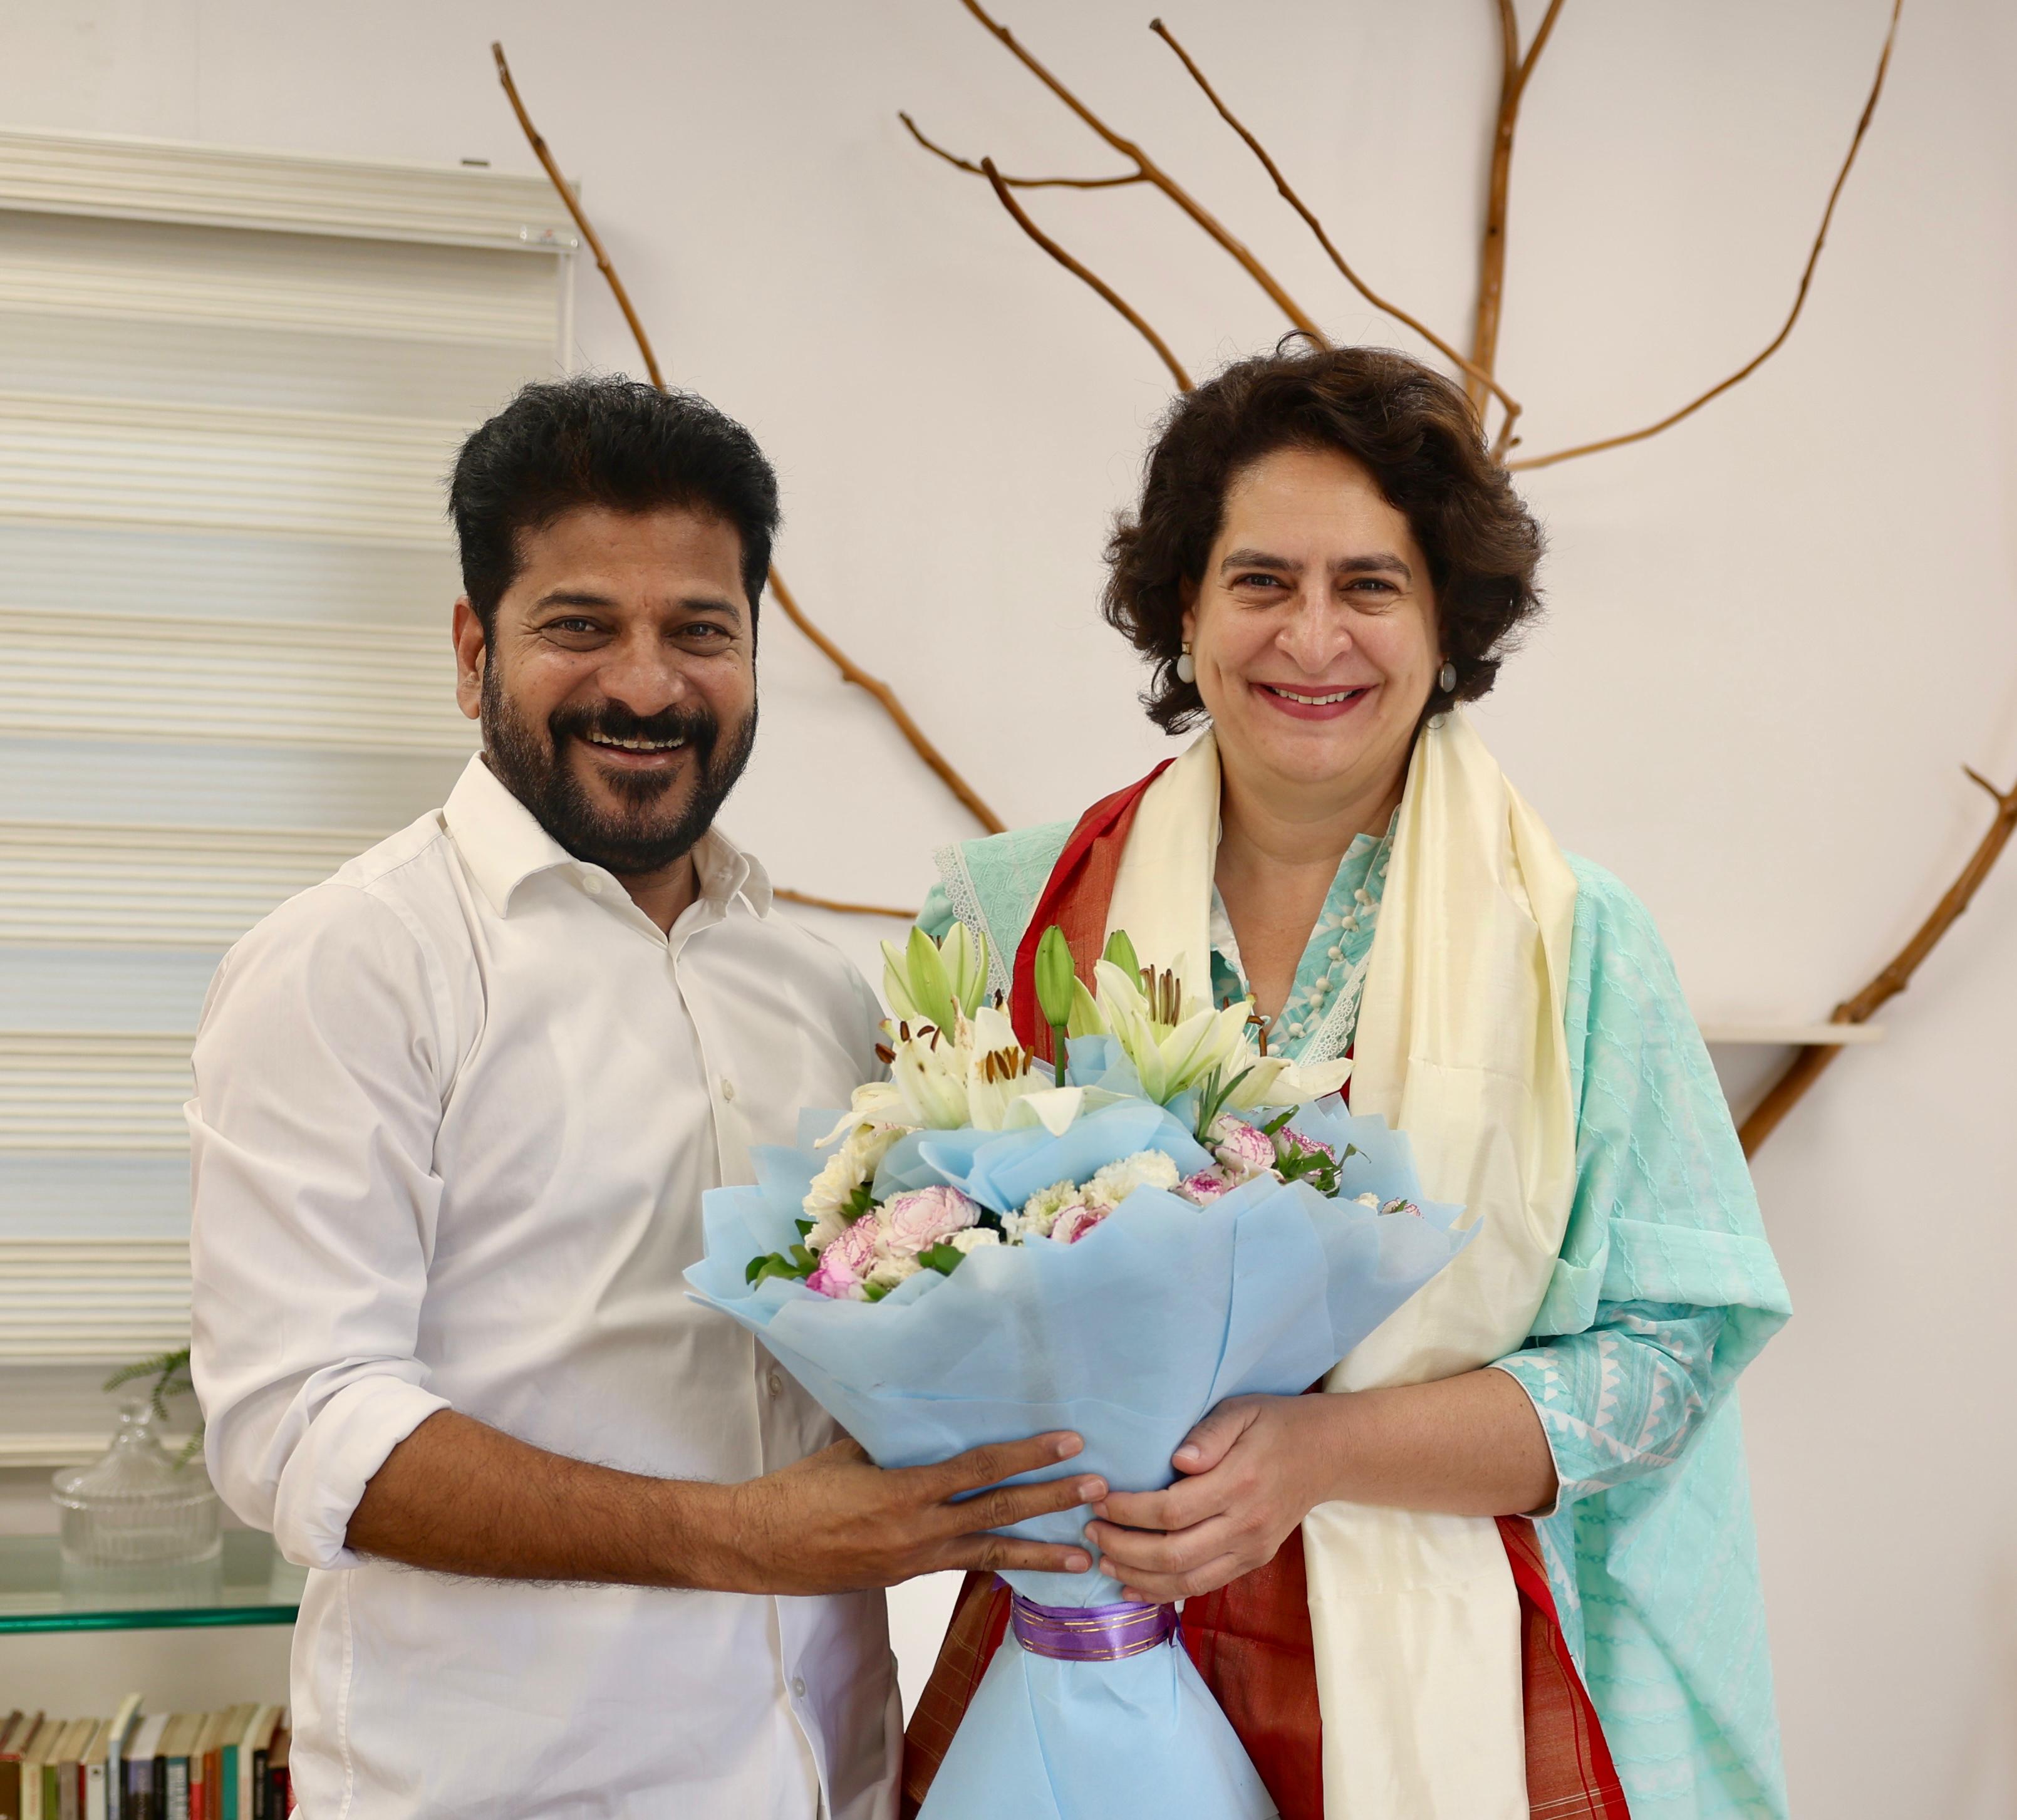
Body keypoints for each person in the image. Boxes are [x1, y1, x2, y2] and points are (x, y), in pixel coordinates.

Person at [187, 377, 1103, 1820]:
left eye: (699, 630)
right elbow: (299, 1429)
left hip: (832, 1783)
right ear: (471, 646)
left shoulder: (818, 989)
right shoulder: (352, 961)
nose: (646, 682)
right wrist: (749, 1539)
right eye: (578, 625)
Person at [903, 344, 1791, 1820]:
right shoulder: (1007, 911)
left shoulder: (1573, 942)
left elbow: (1671, 1352)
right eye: (1259, 580)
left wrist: (1320, 1453)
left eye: (1369, 585)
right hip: (1088, 1637)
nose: (1310, 636)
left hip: (1460, 1662)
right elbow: (903, 1285)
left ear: (1446, 622)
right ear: (1181, 609)